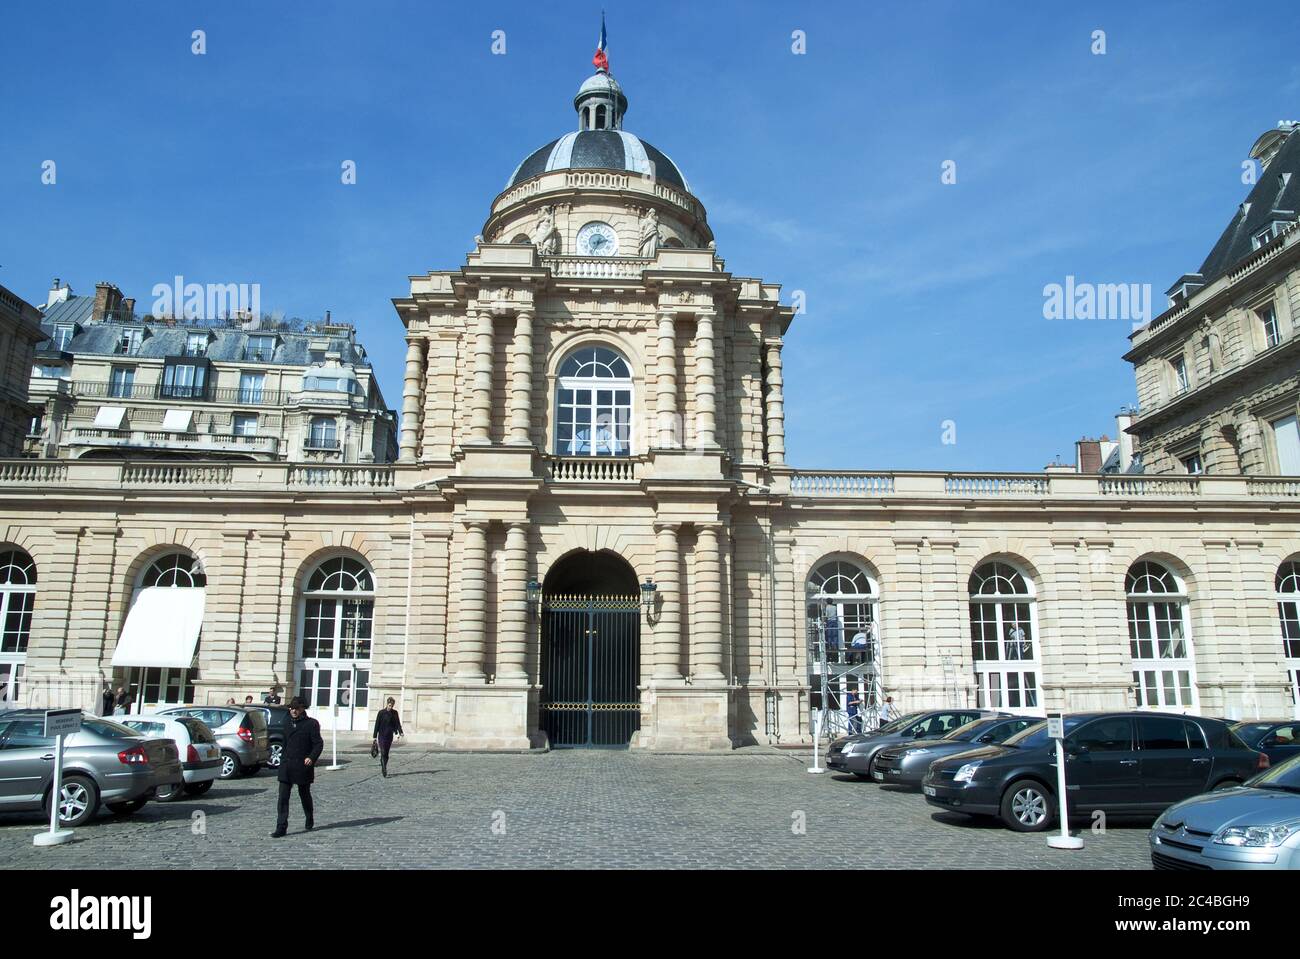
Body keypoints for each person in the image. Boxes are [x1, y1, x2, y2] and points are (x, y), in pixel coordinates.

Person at [271, 697, 323, 838]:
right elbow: (285, 742)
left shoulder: (311, 724)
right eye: (291, 708)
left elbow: (318, 744)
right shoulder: (286, 722)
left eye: (296, 708)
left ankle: (309, 816)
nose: (293, 711)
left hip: (302, 765)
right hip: (287, 765)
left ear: (302, 709)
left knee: (304, 794)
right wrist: (282, 760)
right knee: (283, 797)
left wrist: (311, 758)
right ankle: (281, 827)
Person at [371, 697, 405, 778]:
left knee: (386, 753)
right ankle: (384, 769)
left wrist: (400, 732)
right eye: (389, 705)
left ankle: (383, 764)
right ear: (387, 704)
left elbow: (397, 723)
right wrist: (374, 736)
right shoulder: (381, 713)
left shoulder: (395, 713)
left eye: (392, 705)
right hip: (381, 735)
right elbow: (377, 724)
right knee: (383, 751)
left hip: (389, 735)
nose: (390, 707)